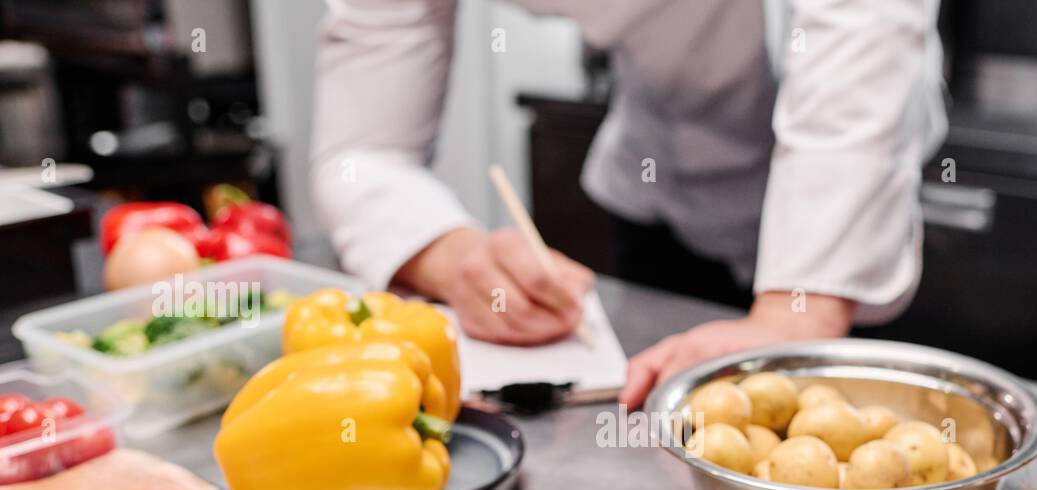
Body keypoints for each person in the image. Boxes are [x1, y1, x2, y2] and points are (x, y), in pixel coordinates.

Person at [311, 0, 946, 407]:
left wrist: (797, 313)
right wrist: (449, 256)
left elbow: (863, 19)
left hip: (858, 197)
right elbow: (362, 148)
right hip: (665, 182)